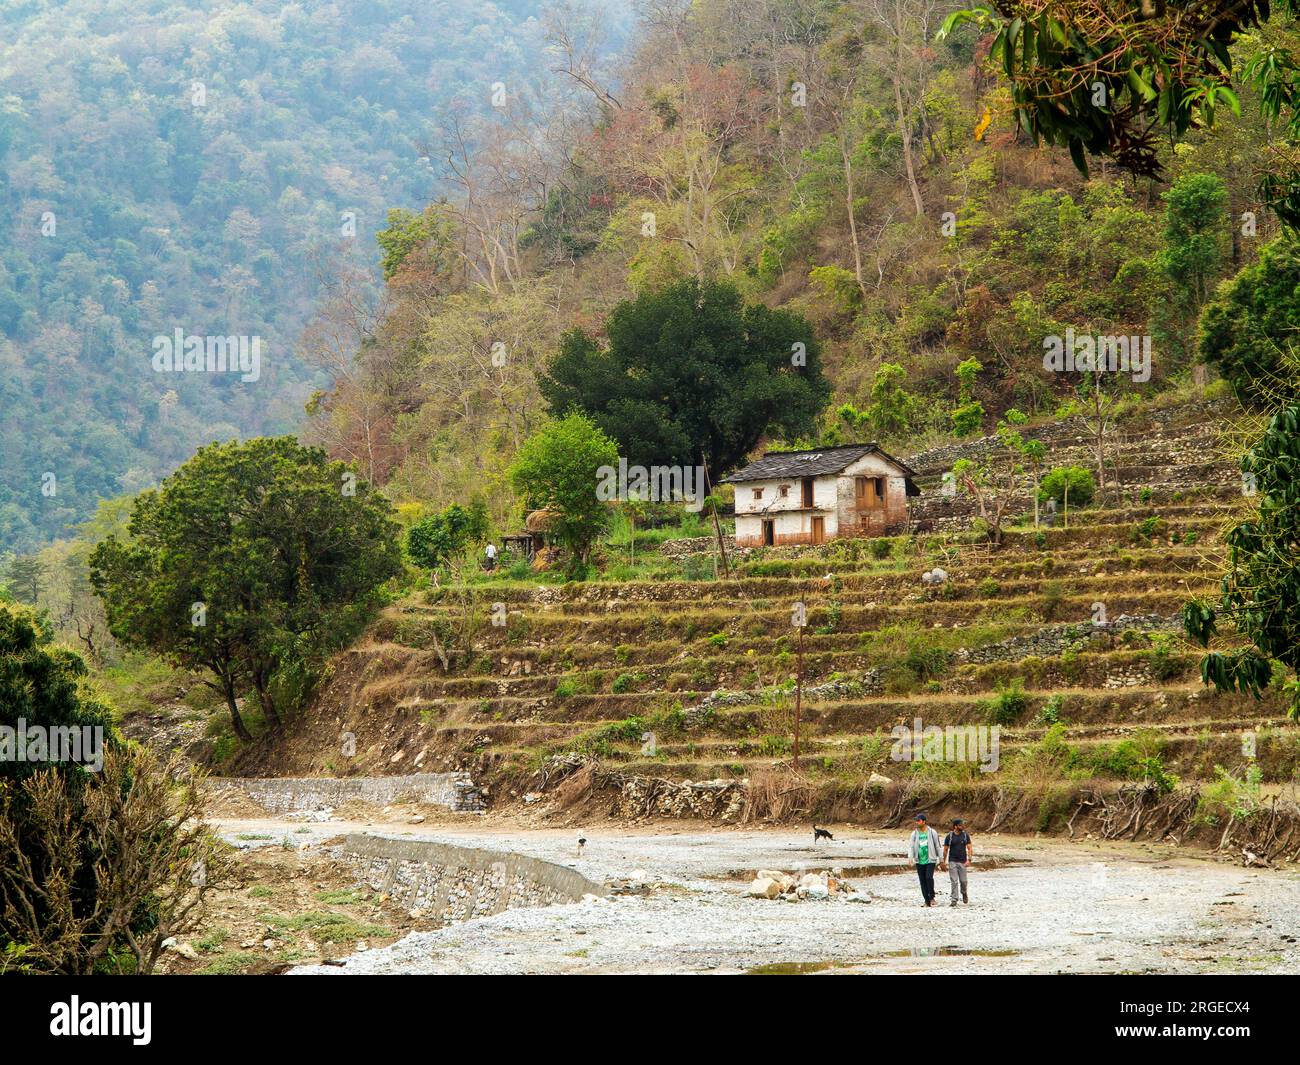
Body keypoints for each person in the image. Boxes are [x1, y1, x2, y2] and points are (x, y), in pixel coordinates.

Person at [907, 813, 942, 907]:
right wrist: (910, 857)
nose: (917, 822)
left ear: (924, 821)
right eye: (916, 820)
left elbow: (938, 846)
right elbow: (910, 845)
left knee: (928, 878)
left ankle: (932, 896)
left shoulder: (932, 832)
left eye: (918, 820)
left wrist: (941, 860)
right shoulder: (914, 833)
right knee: (922, 880)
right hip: (919, 860)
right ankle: (926, 901)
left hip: (931, 859)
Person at [941, 818, 973, 906]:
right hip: (952, 861)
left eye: (962, 825)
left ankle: (964, 893)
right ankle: (954, 899)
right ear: (955, 826)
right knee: (954, 880)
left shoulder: (965, 836)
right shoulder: (949, 836)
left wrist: (969, 860)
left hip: (963, 861)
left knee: (963, 881)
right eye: (960, 825)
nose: (962, 826)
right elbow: (945, 850)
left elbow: (969, 848)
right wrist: (942, 862)